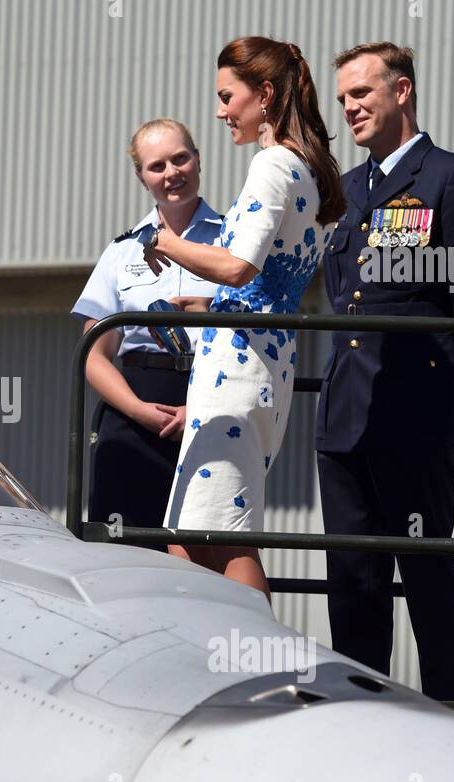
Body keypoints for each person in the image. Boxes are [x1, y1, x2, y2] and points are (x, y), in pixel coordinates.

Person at [316, 43, 454, 701]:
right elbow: (341, 292)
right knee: (353, 581)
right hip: (345, 416)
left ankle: (444, 717)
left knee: (428, 578)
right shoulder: (345, 191)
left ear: (402, 92)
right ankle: (361, 714)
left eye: (362, 93)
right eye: (343, 97)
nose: (349, 108)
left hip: (415, 412)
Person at [143, 37, 345, 599]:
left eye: (227, 96)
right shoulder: (301, 168)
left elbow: (237, 266)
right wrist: (205, 308)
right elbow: (265, 285)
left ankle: (254, 661)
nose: (220, 110)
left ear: (266, 94)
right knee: (189, 537)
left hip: (239, 373)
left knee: (224, 538)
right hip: (255, 363)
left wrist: (164, 242)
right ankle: (215, 656)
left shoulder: (273, 164)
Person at [71, 119, 223, 548]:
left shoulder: (234, 243)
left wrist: (197, 407)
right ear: (142, 177)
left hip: (213, 397)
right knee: (124, 546)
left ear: (198, 159)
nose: (172, 172)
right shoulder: (120, 253)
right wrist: (138, 411)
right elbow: (93, 355)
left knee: (204, 546)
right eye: (157, 166)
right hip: (135, 406)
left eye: (181, 158)